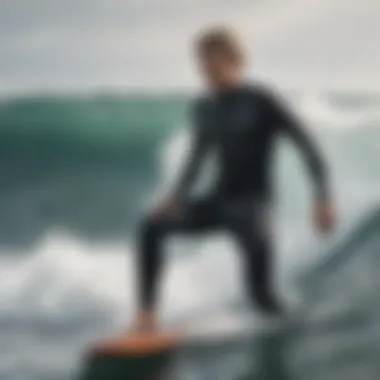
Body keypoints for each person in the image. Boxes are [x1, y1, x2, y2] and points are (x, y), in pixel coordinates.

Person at [135, 26, 335, 331]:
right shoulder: (204, 107)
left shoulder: (261, 100)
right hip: (219, 201)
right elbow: (196, 159)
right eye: (202, 64)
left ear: (236, 61)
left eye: (213, 63)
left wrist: (322, 197)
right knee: (152, 226)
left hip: (253, 208)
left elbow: (307, 144)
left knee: (261, 300)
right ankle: (147, 317)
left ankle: (301, 326)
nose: (206, 71)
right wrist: (177, 195)